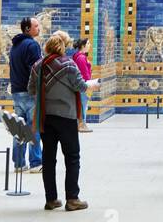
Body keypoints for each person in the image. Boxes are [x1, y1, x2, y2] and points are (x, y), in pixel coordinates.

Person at [28, 31, 100, 211]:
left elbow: (31, 90)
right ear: (63, 46)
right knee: (72, 157)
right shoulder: (69, 64)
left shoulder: (38, 65)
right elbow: (81, 86)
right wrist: (92, 84)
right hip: (66, 116)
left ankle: (51, 199)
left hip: (45, 117)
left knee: (48, 158)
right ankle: (72, 199)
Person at [8, 17, 44, 173]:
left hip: (17, 92)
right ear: (28, 29)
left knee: (19, 129)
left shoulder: (15, 47)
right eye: (36, 26)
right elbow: (36, 70)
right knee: (33, 127)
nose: (39, 28)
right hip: (30, 93)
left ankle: (19, 163)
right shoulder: (32, 45)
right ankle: (36, 163)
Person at [73, 35, 93, 133]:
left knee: (82, 105)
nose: (90, 45)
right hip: (83, 86)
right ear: (83, 46)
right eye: (88, 43)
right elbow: (84, 74)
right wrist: (89, 85)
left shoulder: (81, 56)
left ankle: (81, 123)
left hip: (82, 85)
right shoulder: (81, 58)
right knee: (82, 105)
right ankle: (82, 124)